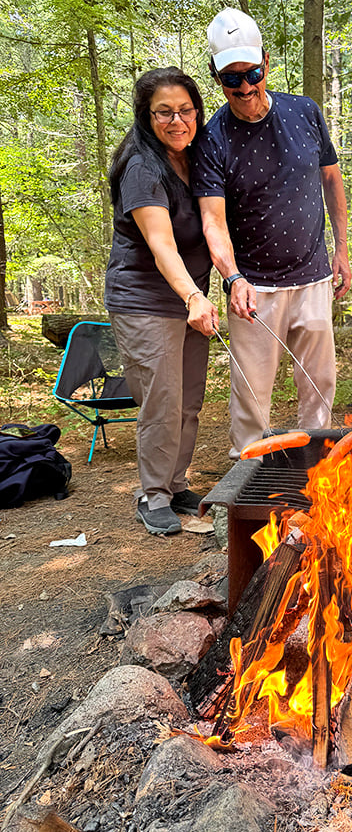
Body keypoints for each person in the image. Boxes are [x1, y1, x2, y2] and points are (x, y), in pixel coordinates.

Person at [192, 8, 351, 459]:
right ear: (216, 77)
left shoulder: (305, 112)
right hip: (254, 289)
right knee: (251, 398)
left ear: (266, 61)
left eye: (253, 73)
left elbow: (332, 180)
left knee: (320, 385)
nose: (245, 88)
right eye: (232, 79)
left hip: (314, 276)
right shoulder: (212, 139)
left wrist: (342, 250)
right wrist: (232, 277)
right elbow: (213, 221)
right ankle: (247, 484)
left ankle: (318, 468)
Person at [105, 67, 218, 536]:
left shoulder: (195, 158)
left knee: (189, 399)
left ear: (197, 111)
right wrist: (193, 295)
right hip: (145, 301)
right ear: (147, 117)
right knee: (163, 400)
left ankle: (174, 483)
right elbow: (162, 244)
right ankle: (151, 494)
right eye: (164, 112)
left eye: (185, 110)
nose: (177, 121)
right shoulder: (141, 168)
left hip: (190, 299)